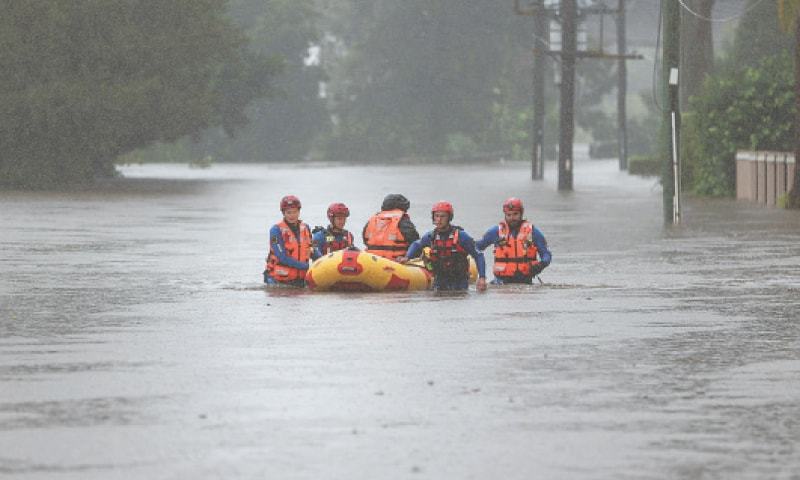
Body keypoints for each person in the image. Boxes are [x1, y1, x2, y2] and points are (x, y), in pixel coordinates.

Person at [399, 201, 487, 292]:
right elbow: (416, 244)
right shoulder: (431, 236)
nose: (439, 219)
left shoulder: (462, 236)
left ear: (449, 218)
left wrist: (482, 278)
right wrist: (407, 257)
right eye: (436, 216)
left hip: (459, 282)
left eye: (443, 216)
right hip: (439, 281)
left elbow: (478, 255)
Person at [476, 197, 551, 284]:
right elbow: (477, 247)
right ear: (505, 215)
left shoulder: (533, 232)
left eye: (515, 214)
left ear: (521, 214)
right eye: (509, 215)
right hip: (500, 283)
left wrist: (541, 265)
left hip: (525, 282)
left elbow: (546, 254)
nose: (512, 218)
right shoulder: (495, 231)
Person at [263, 195, 312, 287]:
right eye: (289, 212)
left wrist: (324, 261)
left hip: (300, 279)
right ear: (283, 213)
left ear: (299, 211)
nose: (292, 215)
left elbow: (311, 250)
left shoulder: (306, 228)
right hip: (277, 280)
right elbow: (282, 257)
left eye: (295, 212)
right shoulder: (275, 230)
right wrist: (305, 266)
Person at [362, 193, 419, 261]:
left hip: (371, 262)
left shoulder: (372, 220)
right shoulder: (403, 221)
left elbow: (365, 240)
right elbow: (416, 243)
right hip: (395, 263)